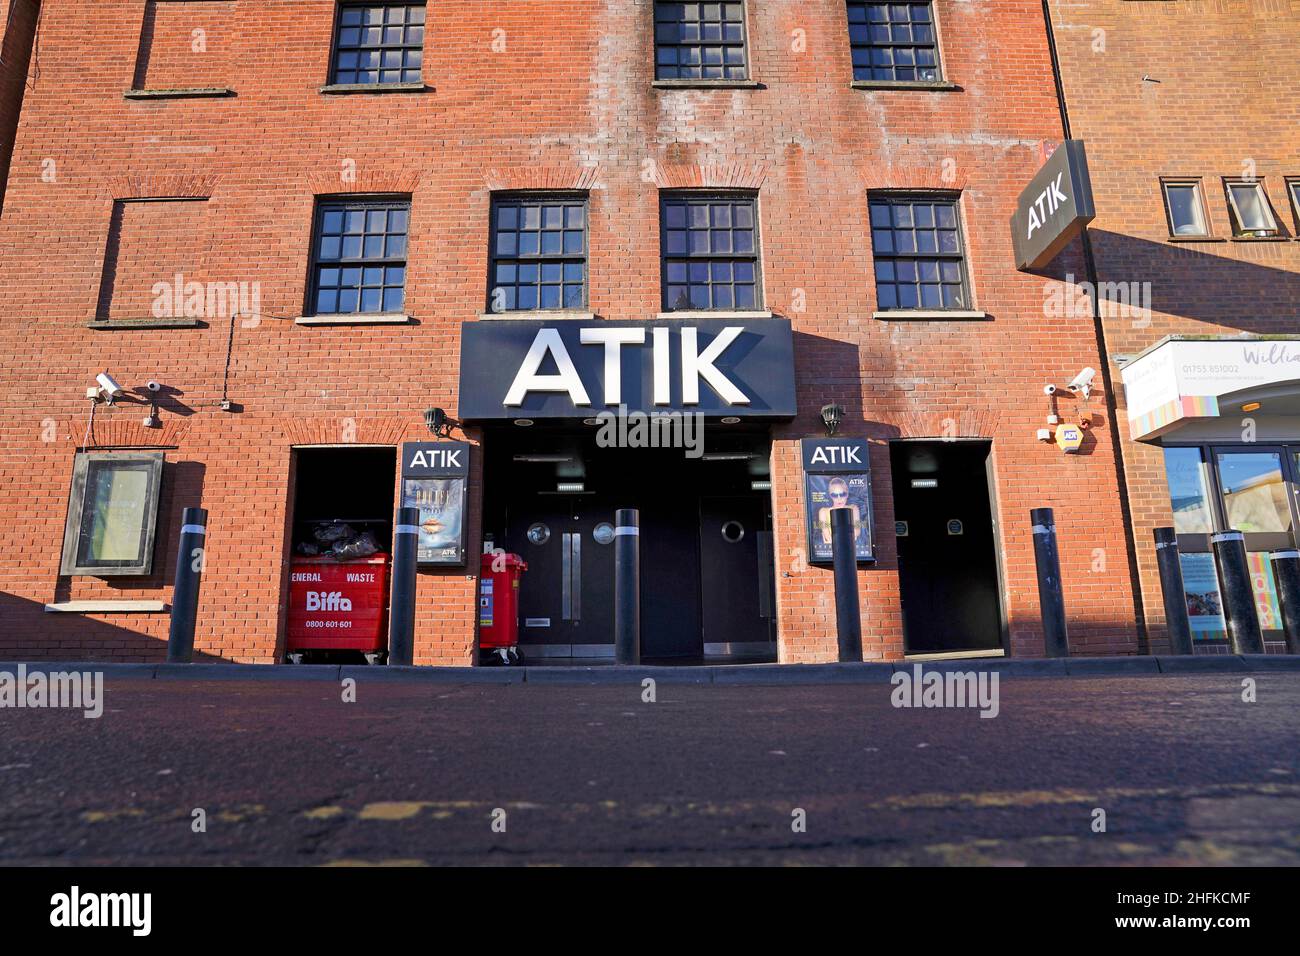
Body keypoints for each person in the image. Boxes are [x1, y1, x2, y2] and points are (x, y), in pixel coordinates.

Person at [818, 477, 862, 546]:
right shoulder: (823, 511)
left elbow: (857, 531)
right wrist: (849, 536)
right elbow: (827, 536)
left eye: (842, 494)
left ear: (847, 494)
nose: (839, 498)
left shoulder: (854, 508)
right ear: (830, 496)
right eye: (834, 495)